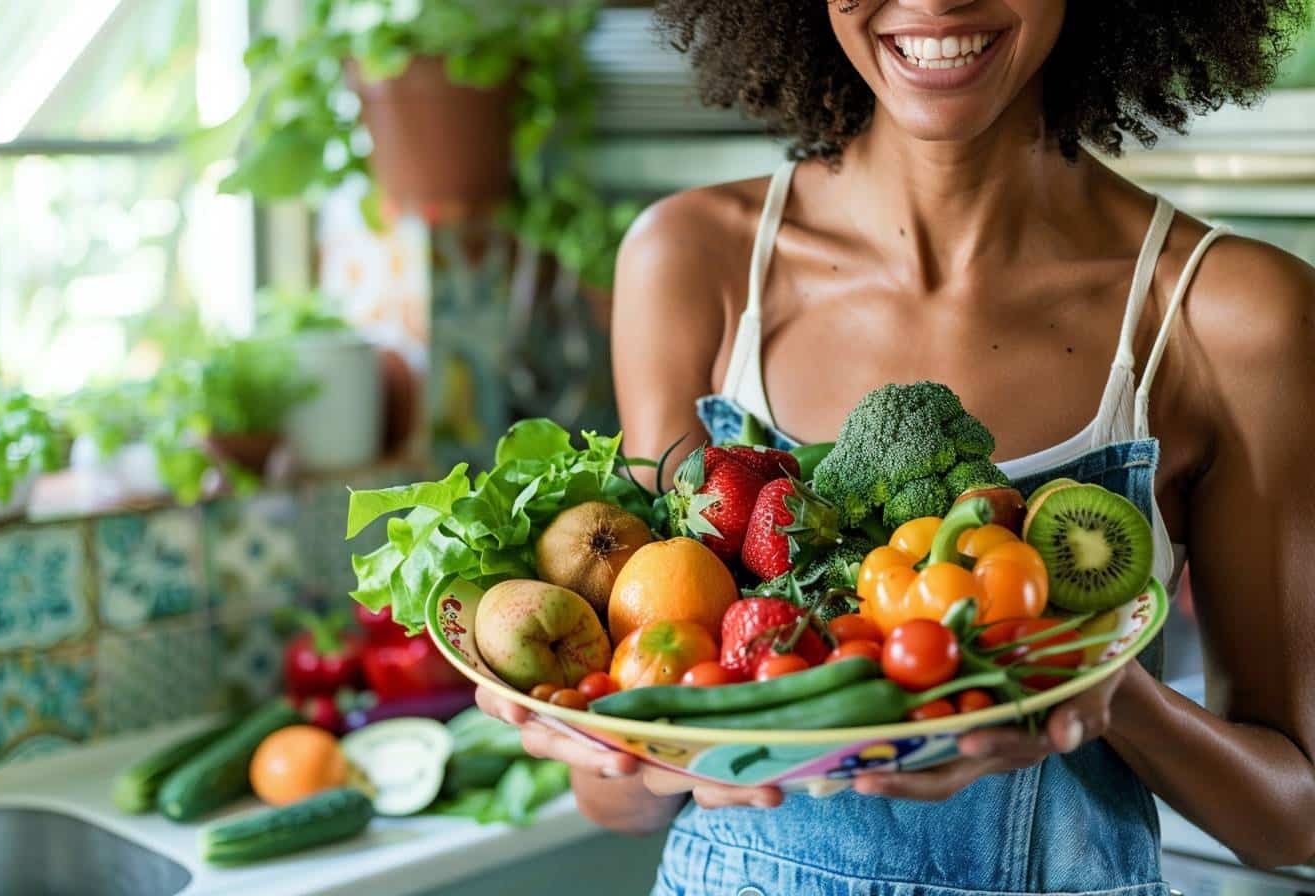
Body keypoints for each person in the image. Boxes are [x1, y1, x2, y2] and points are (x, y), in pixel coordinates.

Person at [478, 1, 1315, 892]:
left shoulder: (1227, 317)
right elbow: (622, 799)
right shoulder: (694, 263)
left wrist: (1104, 693)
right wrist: (606, 743)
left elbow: (1288, 816)